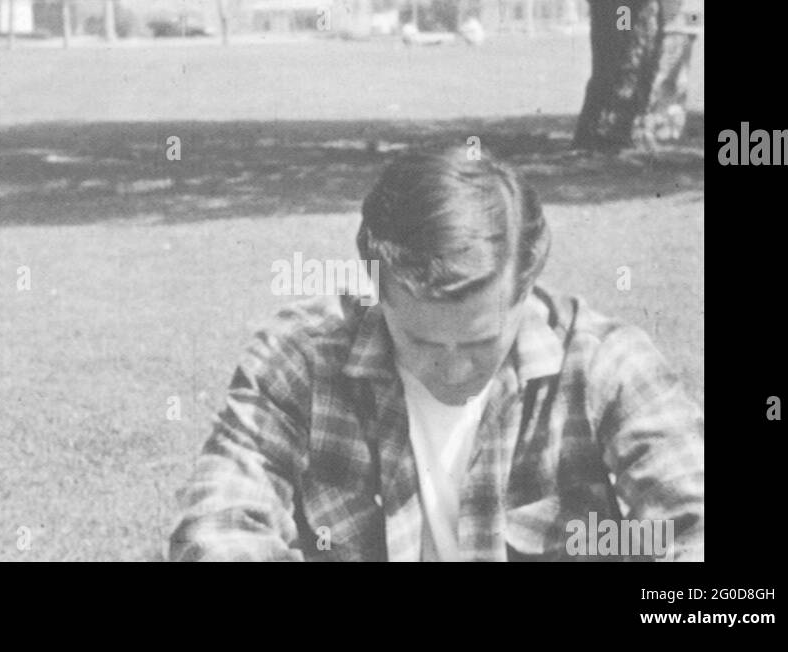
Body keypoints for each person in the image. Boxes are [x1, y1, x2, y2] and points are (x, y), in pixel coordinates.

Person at [168, 144, 703, 561]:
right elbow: (217, 527)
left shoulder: (607, 365)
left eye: (479, 342)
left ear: (528, 282)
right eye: (420, 341)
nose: (451, 369)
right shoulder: (301, 359)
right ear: (376, 288)